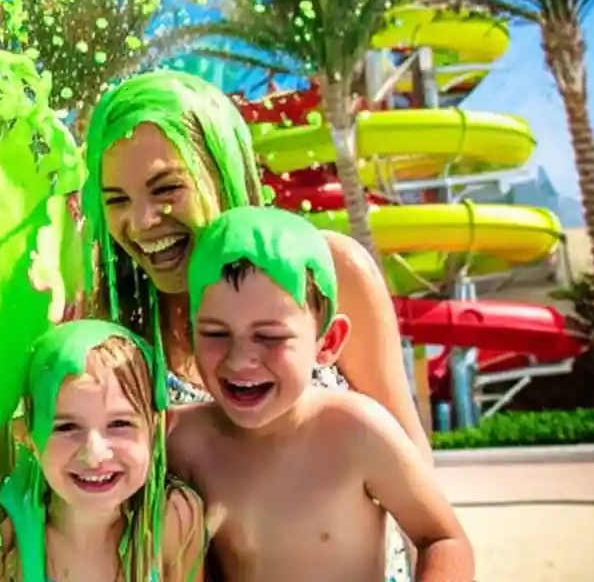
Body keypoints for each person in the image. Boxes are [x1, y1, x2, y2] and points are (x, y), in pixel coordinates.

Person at [78, 70, 431, 578]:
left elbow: (416, 478)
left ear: (223, 171)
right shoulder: (118, 324)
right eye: (116, 200)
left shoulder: (328, 274)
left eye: (167, 188)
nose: (143, 221)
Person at [168, 206, 473, 581]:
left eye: (269, 337)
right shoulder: (185, 443)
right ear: (187, 332)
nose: (240, 359)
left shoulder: (357, 431)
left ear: (328, 342)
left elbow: (443, 539)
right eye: (216, 333)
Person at [0, 319, 206, 582]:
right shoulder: (5, 541)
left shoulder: (173, 521)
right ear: (28, 438)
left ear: (157, 429)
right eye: (67, 427)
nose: (94, 455)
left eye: (119, 424)